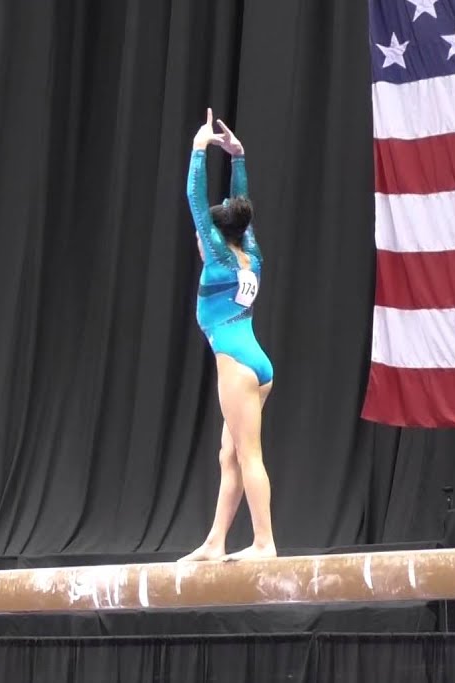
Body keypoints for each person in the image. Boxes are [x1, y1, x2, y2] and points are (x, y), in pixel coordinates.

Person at [180, 109, 276, 562]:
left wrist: (200, 149)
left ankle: (264, 543)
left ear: (215, 237)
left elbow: (196, 201)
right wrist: (237, 158)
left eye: (204, 235)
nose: (199, 239)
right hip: (256, 362)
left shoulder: (219, 259)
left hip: (236, 365)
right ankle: (216, 540)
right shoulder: (249, 254)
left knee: (248, 454)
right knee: (229, 456)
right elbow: (241, 212)